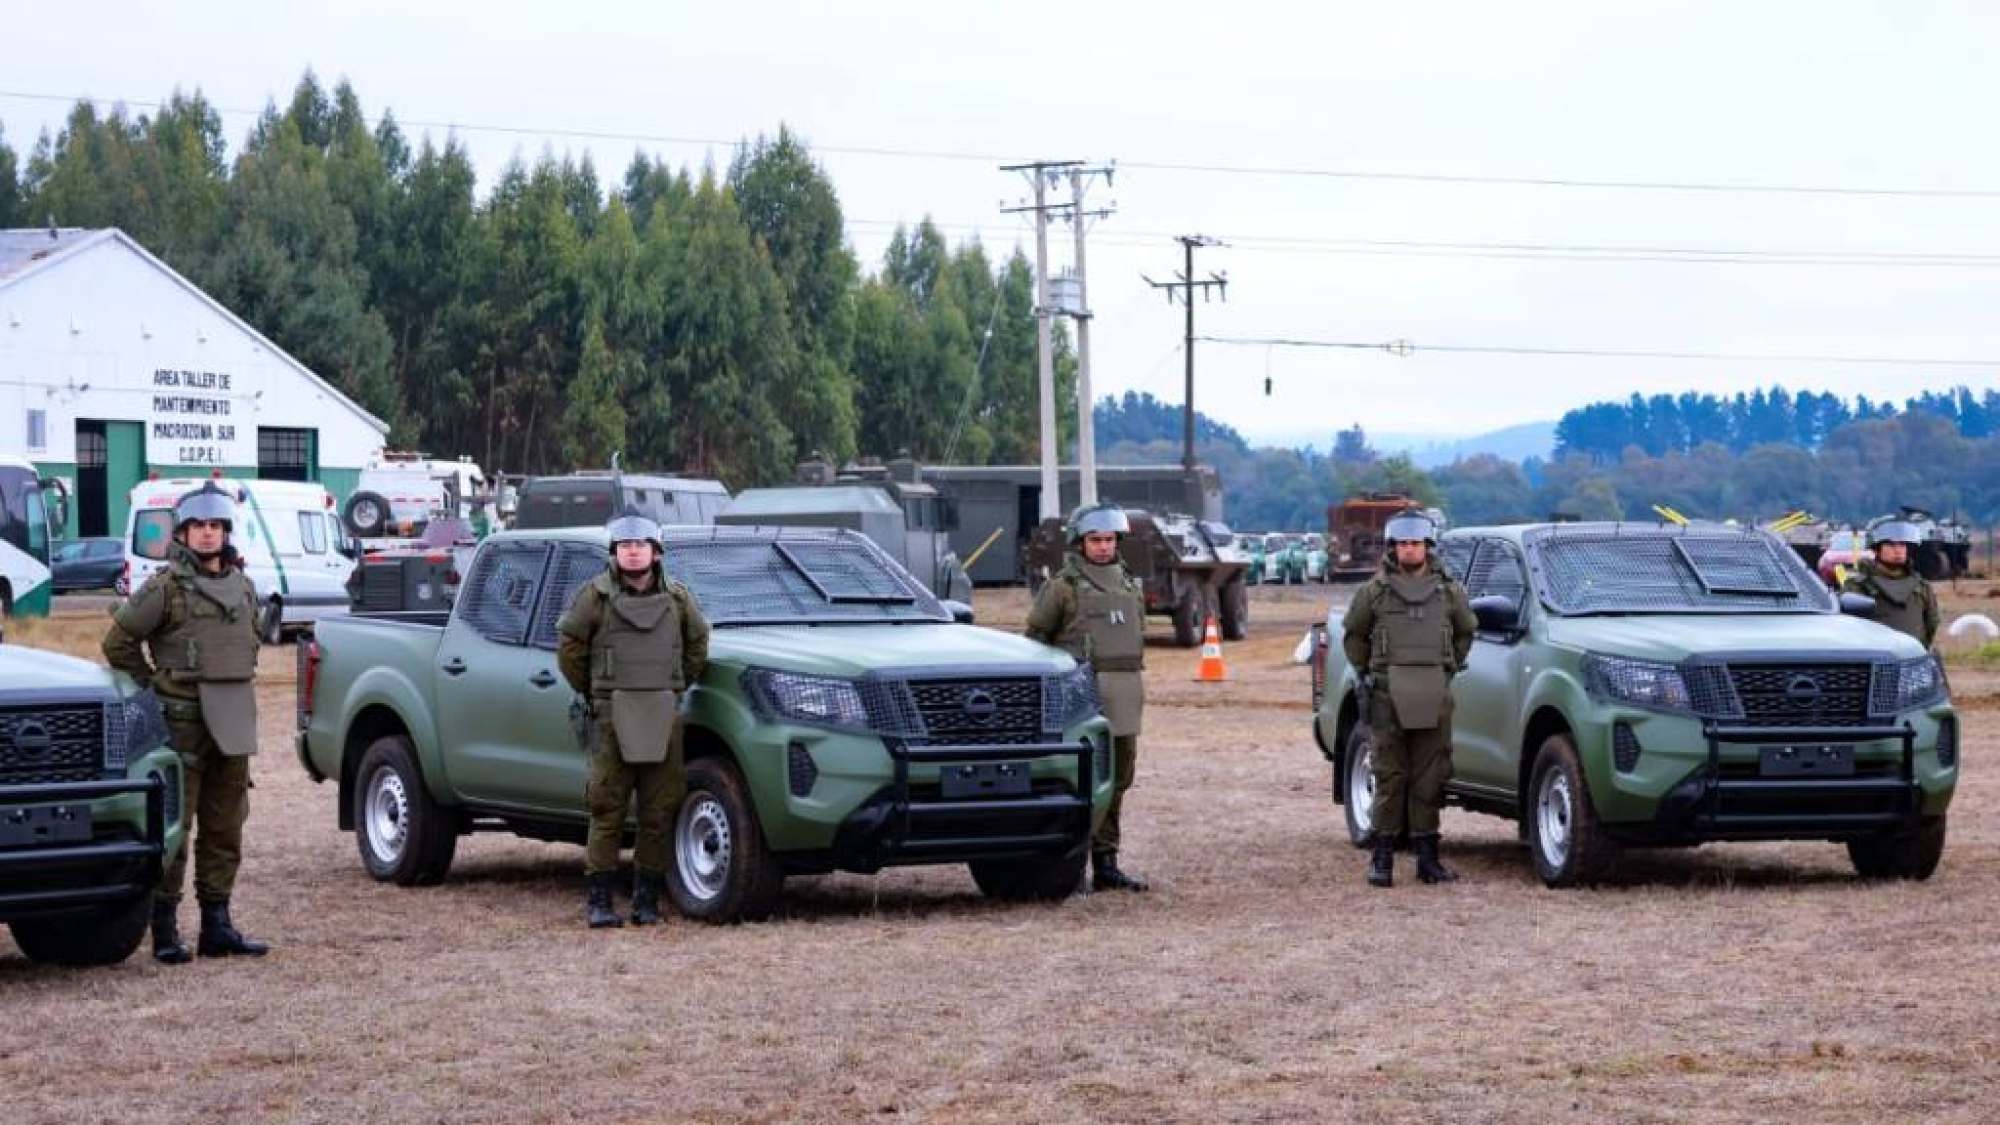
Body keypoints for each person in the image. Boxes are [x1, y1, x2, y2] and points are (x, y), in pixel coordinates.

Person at [102, 480, 270, 962]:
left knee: (226, 826)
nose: (207, 534)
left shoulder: (244, 587)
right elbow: (118, 643)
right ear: (183, 531)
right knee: (176, 827)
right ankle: (165, 930)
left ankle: (217, 926)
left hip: (235, 720)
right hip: (182, 723)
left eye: (215, 526)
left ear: (226, 531)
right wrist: (151, 690)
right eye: (198, 526)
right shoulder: (165, 589)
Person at [557, 508, 709, 928]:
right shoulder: (595, 595)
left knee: (659, 811)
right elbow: (570, 647)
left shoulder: (679, 598)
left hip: (663, 714)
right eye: (626, 546)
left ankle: (646, 902)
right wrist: (595, 690)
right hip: (610, 716)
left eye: (641, 545)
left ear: (656, 552)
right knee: (606, 807)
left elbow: (698, 643)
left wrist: (674, 685)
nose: (634, 553)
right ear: (615, 552)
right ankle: (600, 902)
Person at [1340, 509, 1476, 889]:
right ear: (1393, 547)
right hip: (1387, 696)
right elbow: (1354, 635)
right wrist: (1370, 673)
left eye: (1415, 543)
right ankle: (1381, 859)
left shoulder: (1449, 591)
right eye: (1403, 543)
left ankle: (1427, 859)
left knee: (1430, 777)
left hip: (1434, 692)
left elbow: (1466, 632)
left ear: (1427, 546)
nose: (1409, 550)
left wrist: (1448, 668)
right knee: (1389, 775)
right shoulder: (1375, 591)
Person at [1025, 504, 1149, 892]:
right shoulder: (1062, 587)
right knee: (1082, 781)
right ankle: (1069, 864)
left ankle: (1107, 863)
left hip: (1126, 691)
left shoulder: (1130, 584)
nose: (1102, 546)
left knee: (1120, 780)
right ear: (1080, 542)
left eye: (1109, 539)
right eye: (1095, 539)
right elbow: (1034, 643)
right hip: (1082, 695)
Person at [1843, 520, 1941, 648]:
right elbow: (1850, 627)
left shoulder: (1922, 586)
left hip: (1913, 658)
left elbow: (1931, 623)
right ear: (1877, 550)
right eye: (1891, 545)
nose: (1898, 550)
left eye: (1902, 545)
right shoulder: (1858, 585)